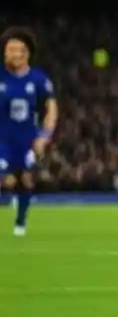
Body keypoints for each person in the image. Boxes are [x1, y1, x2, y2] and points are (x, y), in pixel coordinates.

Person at [0, 26, 58, 237]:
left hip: (26, 140)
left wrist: (45, 136)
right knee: (6, 179)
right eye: (10, 49)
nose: (15, 54)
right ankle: (11, 188)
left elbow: (51, 108)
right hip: (2, 140)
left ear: (27, 53)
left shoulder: (38, 79)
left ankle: (20, 222)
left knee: (25, 179)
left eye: (19, 49)